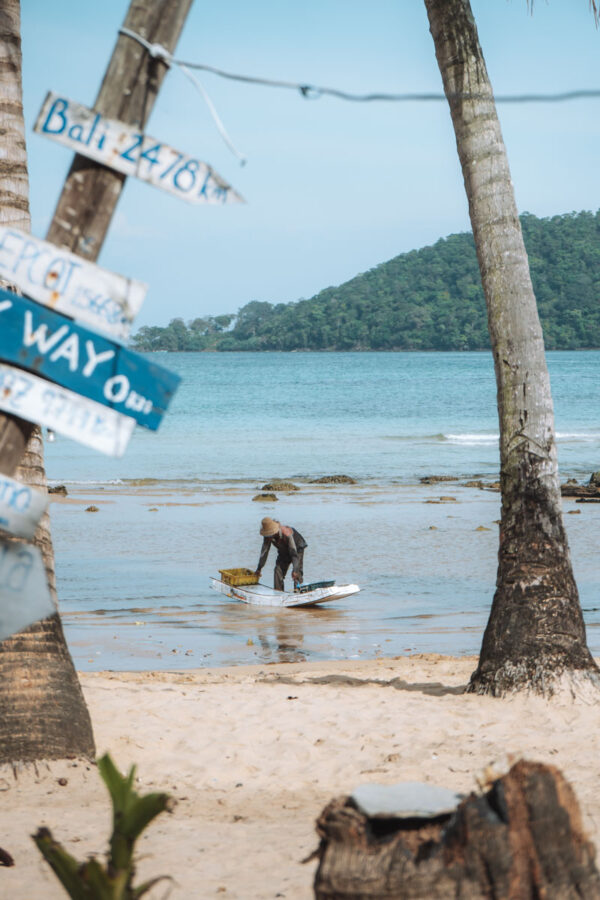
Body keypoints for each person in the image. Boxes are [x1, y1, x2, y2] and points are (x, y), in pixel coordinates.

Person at [255, 517, 307, 591]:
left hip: (297, 549)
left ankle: (299, 592)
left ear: (274, 532)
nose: (268, 537)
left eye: (269, 535)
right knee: (278, 571)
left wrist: (295, 570)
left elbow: (294, 554)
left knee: (297, 574)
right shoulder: (267, 537)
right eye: (267, 535)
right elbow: (264, 553)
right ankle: (278, 593)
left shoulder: (287, 534)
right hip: (283, 552)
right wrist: (259, 568)